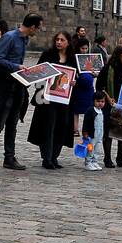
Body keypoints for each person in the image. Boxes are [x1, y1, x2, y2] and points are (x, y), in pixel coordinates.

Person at [0, 13, 41, 171]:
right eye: (38, 28)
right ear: (33, 27)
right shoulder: (10, 37)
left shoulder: (24, 39)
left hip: (18, 87)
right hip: (4, 87)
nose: (38, 31)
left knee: (12, 124)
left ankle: (9, 158)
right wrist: (16, 66)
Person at [27, 31, 77, 169]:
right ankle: (46, 158)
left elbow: (75, 76)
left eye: (62, 40)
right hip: (47, 98)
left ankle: (54, 156)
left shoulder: (72, 58)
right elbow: (37, 73)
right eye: (57, 39)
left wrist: (73, 82)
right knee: (48, 126)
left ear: (68, 42)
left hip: (64, 99)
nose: (59, 42)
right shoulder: (47, 55)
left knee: (62, 126)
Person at [96, 46, 122, 168]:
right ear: (119, 55)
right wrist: (108, 97)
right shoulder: (108, 69)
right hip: (110, 104)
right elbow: (99, 86)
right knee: (108, 133)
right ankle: (107, 158)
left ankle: (120, 157)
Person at [81, 90, 109, 171]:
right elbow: (86, 122)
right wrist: (85, 133)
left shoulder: (102, 111)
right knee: (90, 149)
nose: (100, 103)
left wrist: (104, 134)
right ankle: (88, 162)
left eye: (102, 101)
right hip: (92, 135)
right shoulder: (90, 110)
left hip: (99, 135)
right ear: (94, 101)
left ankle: (95, 161)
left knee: (97, 149)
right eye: (98, 101)